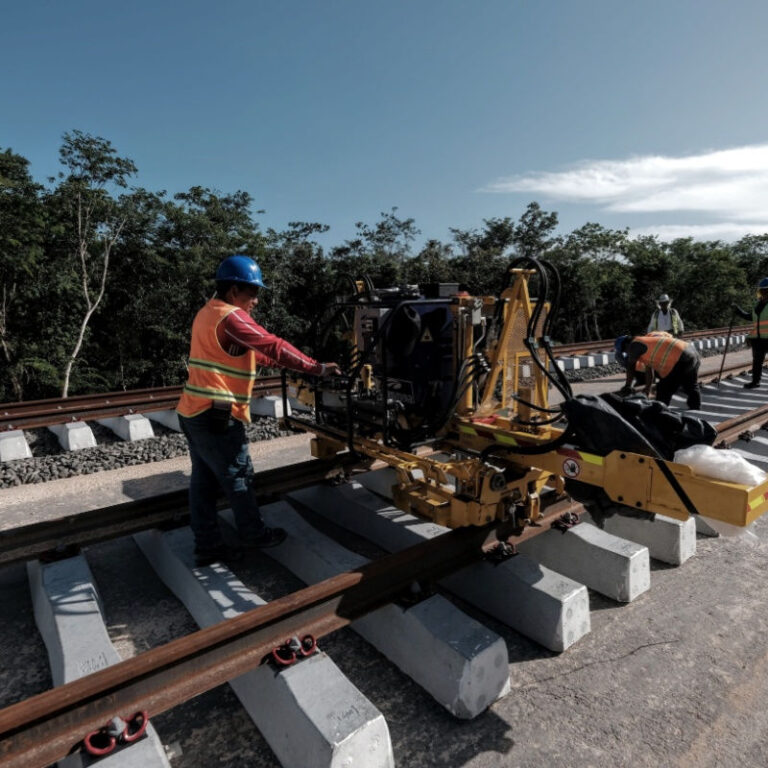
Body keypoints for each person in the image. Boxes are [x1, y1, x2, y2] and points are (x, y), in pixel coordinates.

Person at [176, 255, 342, 567]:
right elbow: (272, 345)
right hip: (216, 410)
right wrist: (316, 368)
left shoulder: (207, 313)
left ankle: (208, 544)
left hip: (191, 409)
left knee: (204, 480)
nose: (256, 299)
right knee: (238, 475)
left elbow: (248, 353)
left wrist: (283, 363)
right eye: (252, 292)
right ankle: (254, 534)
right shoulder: (232, 316)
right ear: (233, 289)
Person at [615, 333, 701, 410]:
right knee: (690, 385)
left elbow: (631, 367)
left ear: (626, 345)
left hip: (680, 357)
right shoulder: (646, 344)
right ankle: (695, 408)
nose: (627, 353)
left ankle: (659, 411)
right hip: (692, 352)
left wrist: (627, 385)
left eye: (624, 351)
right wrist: (647, 388)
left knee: (664, 388)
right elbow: (649, 371)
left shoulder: (634, 345)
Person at [732, 277, 768, 389]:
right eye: (761, 291)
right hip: (758, 339)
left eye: (765, 290)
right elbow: (751, 317)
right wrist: (738, 311)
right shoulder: (759, 305)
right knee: (757, 362)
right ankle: (755, 382)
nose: (762, 293)